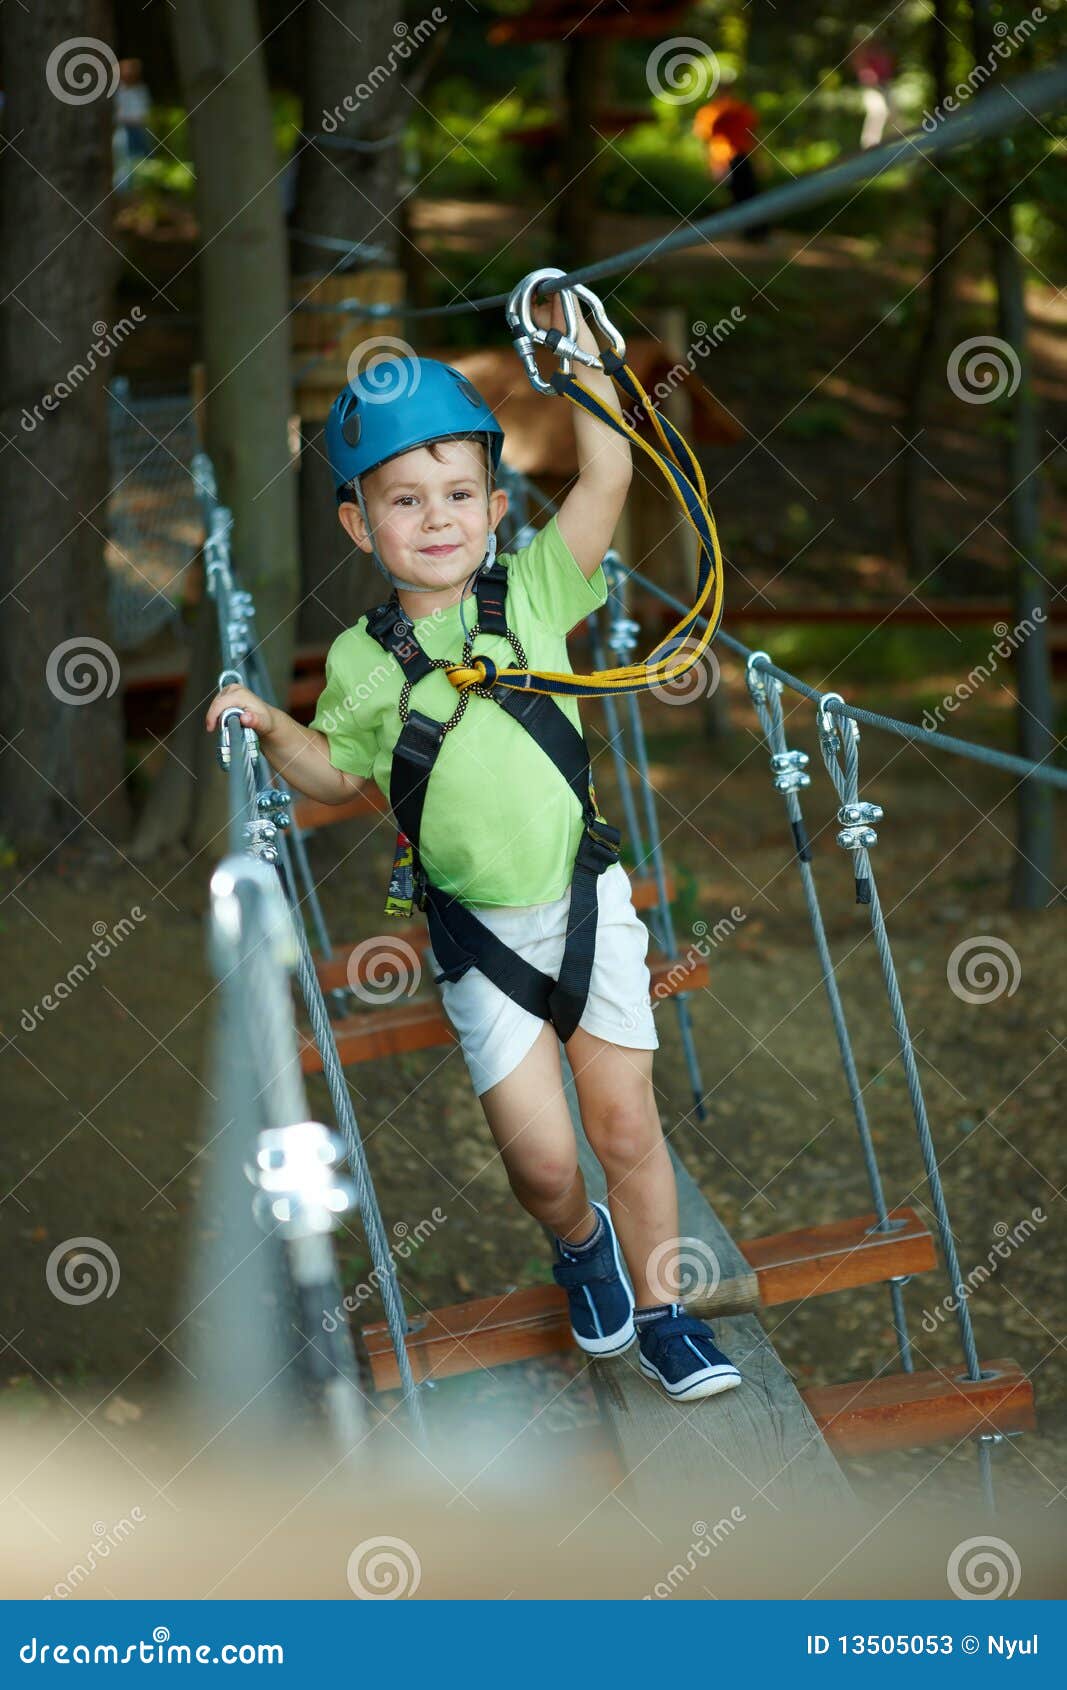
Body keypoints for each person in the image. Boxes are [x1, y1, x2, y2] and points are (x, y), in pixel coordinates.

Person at [205, 294, 741, 1404]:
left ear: (496, 506)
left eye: (458, 494)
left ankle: (662, 1311)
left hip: (586, 902)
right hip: (476, 931)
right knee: (543, 1163)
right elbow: (343, 776)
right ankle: (578, 1241)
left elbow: (605, 482)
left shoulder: (536, 586)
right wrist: (273, 727)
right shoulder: (363, 657)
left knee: (626, 1123)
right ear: (360, 524)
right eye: (405, 500)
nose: (437, 518)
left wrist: (591, 371)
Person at [692, 92, 769, 241]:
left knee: (744, 195)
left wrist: (759, 161)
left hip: (736, 158)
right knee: (745, 195)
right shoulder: (714, 112)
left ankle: (753, 232)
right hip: (729, 160)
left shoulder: (728, 111)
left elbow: (751, 136)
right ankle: (750, 231)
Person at [850, 34, 900, 150]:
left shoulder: (882, 53)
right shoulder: (862, 56)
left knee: (893, 114)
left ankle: (900, 143)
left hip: (885, 86)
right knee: (878, 111)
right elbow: (861, 68)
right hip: (872, 89)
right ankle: (870, 144)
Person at [113, 58, 152, 193]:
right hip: (121, 131)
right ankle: (121, 192)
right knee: (122, 163)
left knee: (138, 162)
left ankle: (134, 192)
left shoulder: (141, 90)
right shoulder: (116, 91)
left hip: (137, 131)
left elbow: (142, 114)